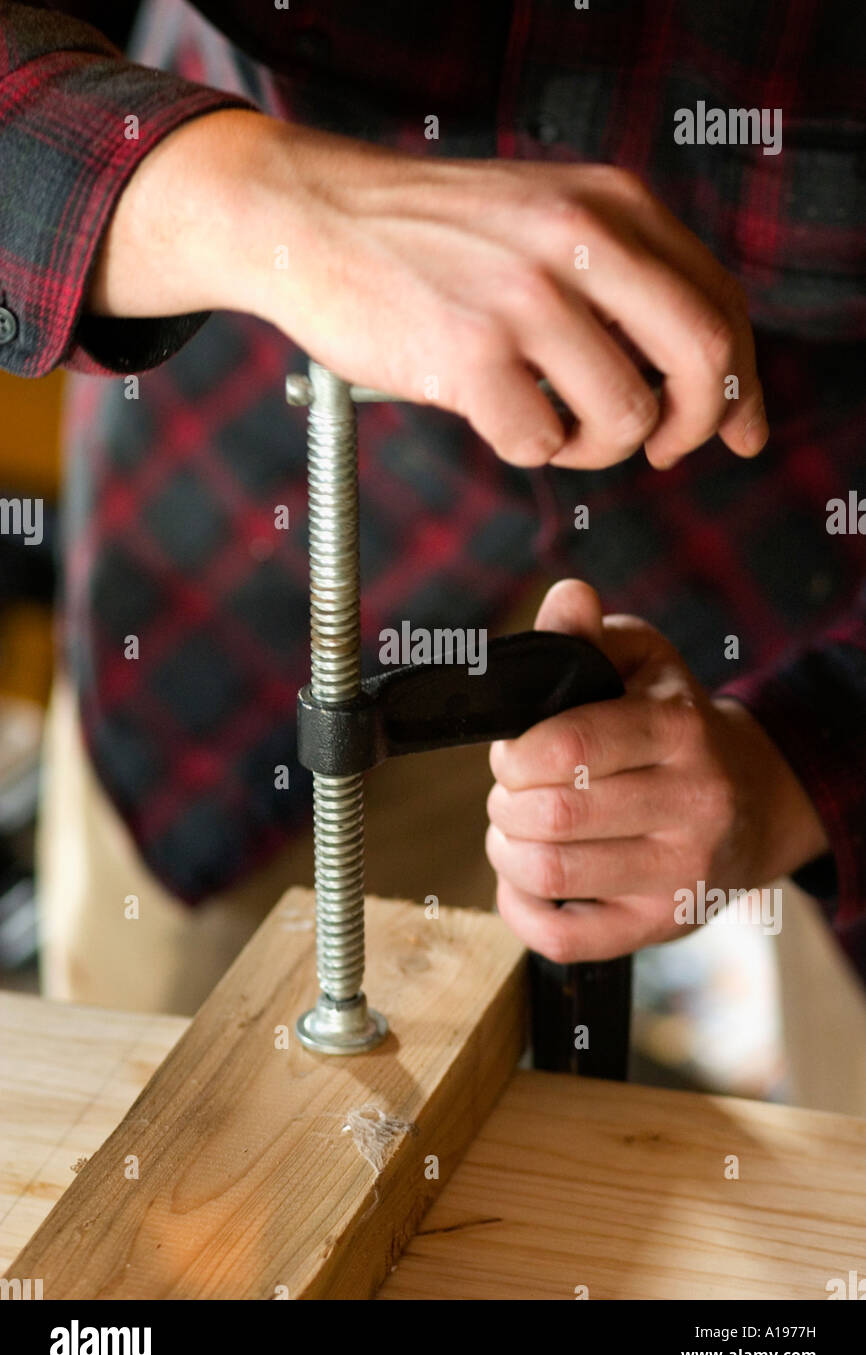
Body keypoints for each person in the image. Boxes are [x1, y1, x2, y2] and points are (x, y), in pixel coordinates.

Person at [2, 3, 865, 1103]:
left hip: (797, 554)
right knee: (172, 1132)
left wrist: (801, 765)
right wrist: (244, 195)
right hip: (242, 509)